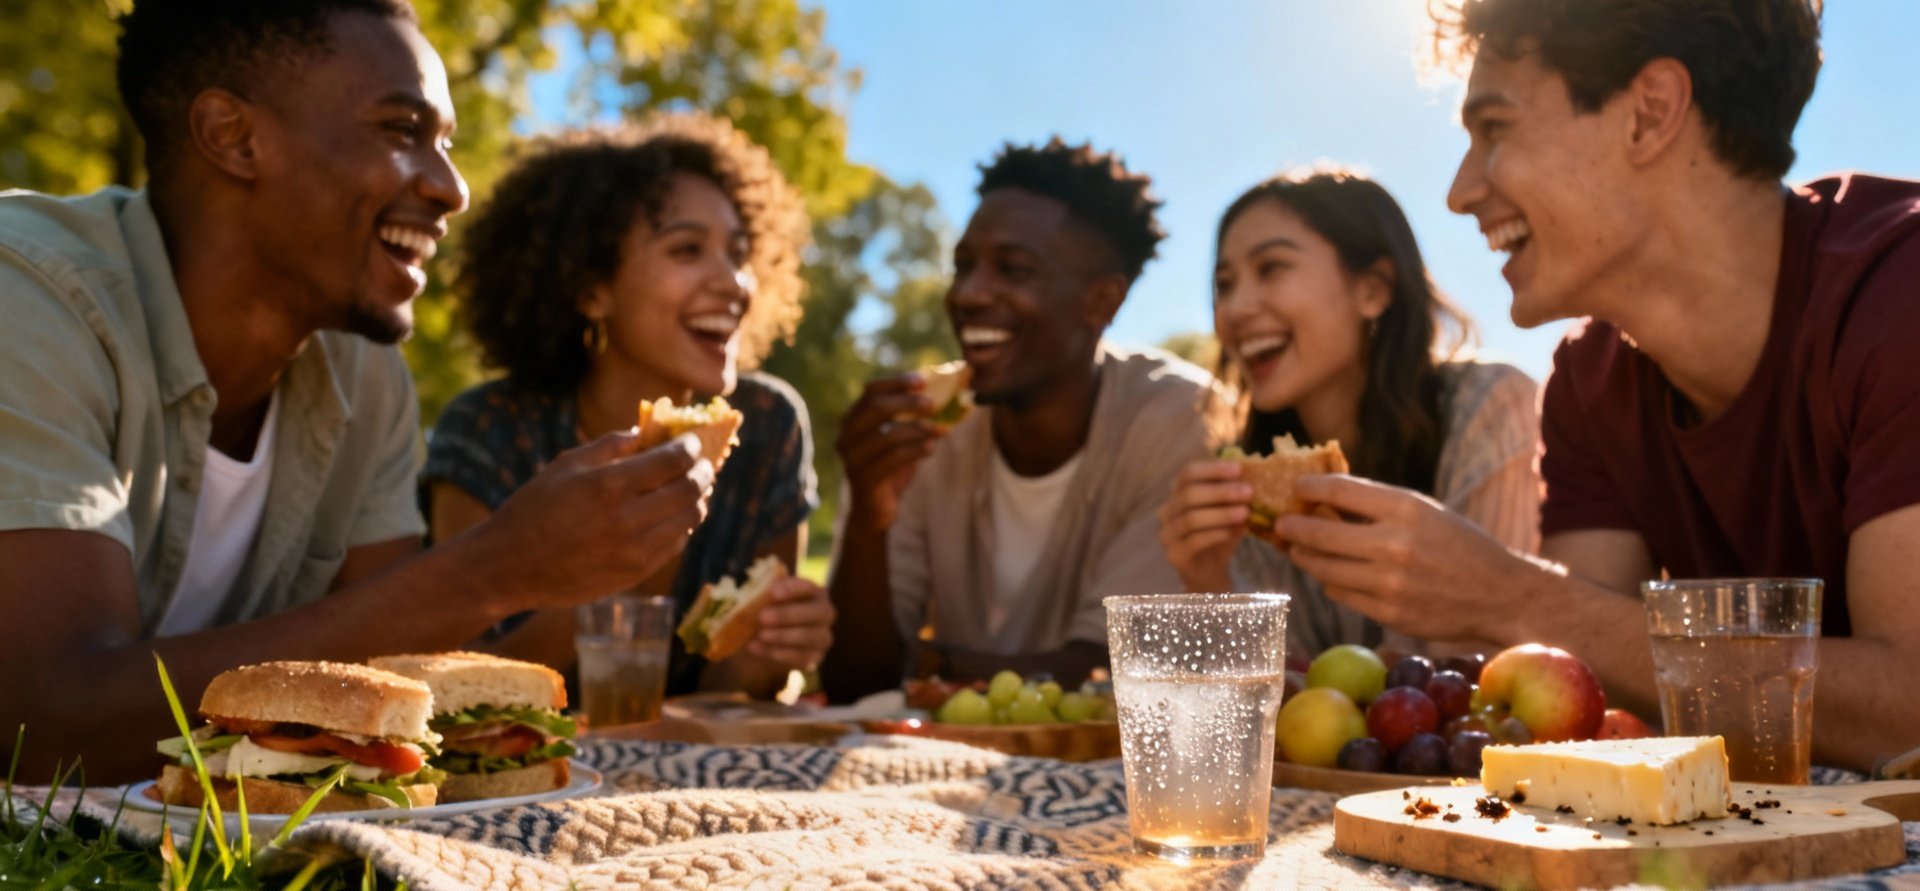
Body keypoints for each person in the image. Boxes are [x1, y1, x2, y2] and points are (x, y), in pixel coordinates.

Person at [0, 0, 713, 783]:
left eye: (446, 144)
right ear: (235, 138)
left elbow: (382, 690)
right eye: (403, 132)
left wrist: (558, 573)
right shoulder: (30, 298)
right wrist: (491, 569)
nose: (453, 190)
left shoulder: (367, 376)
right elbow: (40, 723)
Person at [1273, 0, 1920, 772]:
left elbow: (1909, 707)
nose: (1459, 190)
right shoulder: (1590, 381)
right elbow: (1585, 687)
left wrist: (1509, 593)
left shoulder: (1899, 291)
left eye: (1494, 130)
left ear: (1649, 114)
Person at [421, 116, 833, 699]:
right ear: (592, 288)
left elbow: (730, 696)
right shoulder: (489, 431)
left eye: (738, 254)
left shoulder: (767, 427)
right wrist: (614, 581)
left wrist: (769, 655)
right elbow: (450, 687)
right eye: (688, 249)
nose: (734, 283)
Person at [822, 139, 1217, 700]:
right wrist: (869, 516)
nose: (970, 294)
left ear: (1101, 303)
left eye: (1014, 269)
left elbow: (1111, 673)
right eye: (963, 267)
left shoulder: (1176, 419)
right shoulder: (922, 430)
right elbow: (854, 683)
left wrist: (929, 663)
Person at [1156, 168, 1538, 660]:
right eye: (1224, 284)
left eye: (1271, 268)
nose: (1235, 307)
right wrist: (1207, 581)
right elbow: (1278, 707)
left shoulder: (1488, 405)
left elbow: (1463, 672)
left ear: (1373, 291)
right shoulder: (1252, 484)